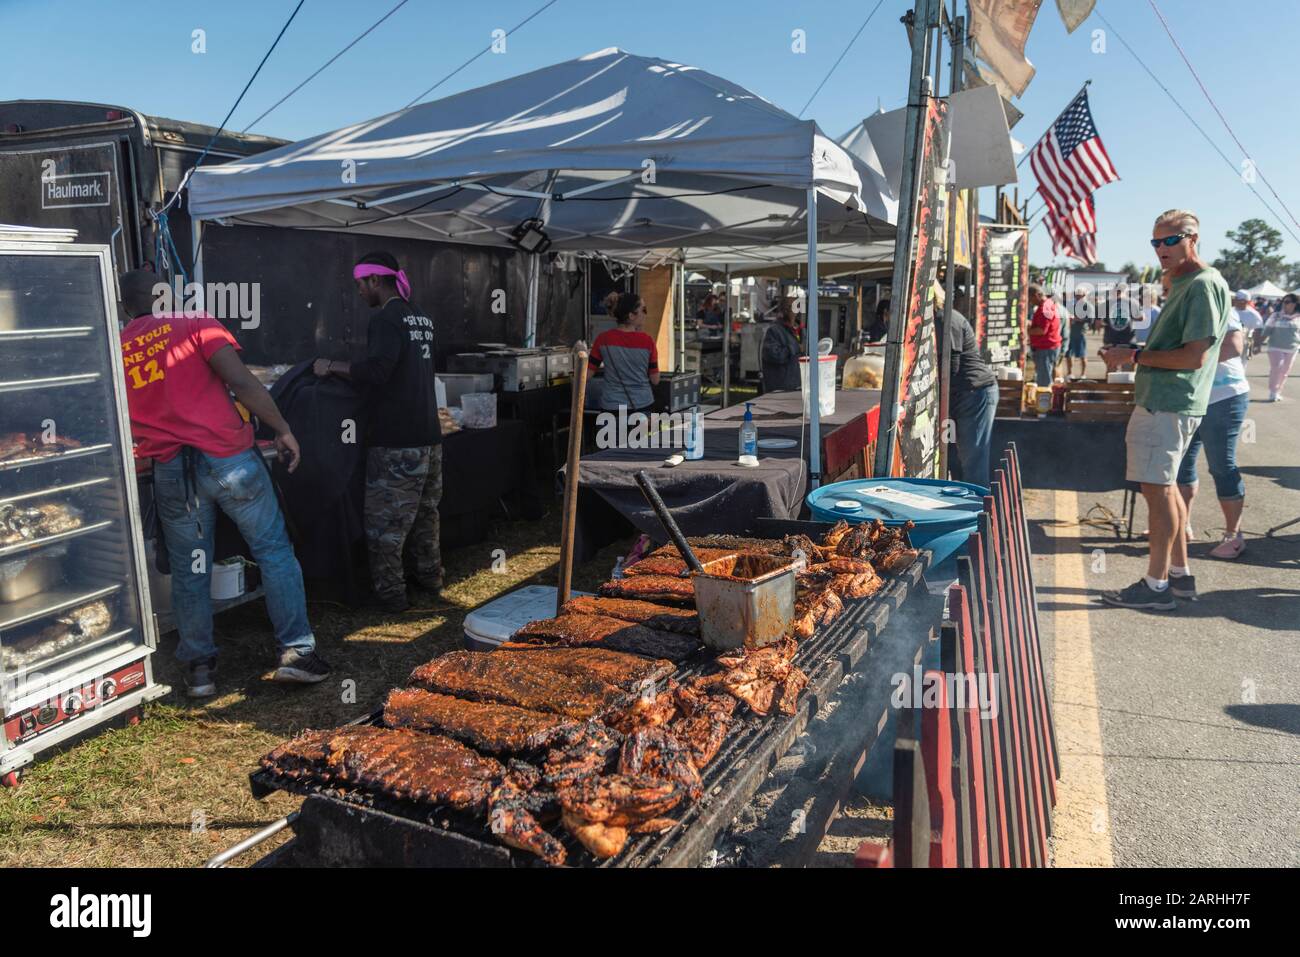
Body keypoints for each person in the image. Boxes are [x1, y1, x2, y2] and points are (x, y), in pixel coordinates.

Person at [116, 270, 330, 697]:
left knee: (191, 568)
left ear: (124, 306)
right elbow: (242, 382)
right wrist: (282, 428)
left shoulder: (117, 345)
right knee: (272, 550)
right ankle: (296, 653)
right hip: (228, 459)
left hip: (171, 469)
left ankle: (199, 670)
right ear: (169, 295)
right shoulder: (196, 323)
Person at [1099, 209, 1229, 610]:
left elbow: (1193, 357)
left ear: (1193, 238)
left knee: (1157, 494)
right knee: (1166, 489)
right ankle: (1178, 575)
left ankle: (1155, 587)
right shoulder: (1189, 283)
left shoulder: (1203, 284)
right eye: (1155, 242)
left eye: (1170, 240)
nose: (1161, 249)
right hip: (1167, 403)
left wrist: (1133, 355)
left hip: (1168, 404)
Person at [313, 252, 442, 613]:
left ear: (374, 281)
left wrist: (332, 367)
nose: (357, 292)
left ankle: (391, 595)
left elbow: (378, 371)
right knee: (426, 514)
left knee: (386, 524)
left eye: (359, 284)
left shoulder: (386, 318)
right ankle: (430, 576)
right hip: (430, 437)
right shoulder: (422, 317)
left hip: (397, 440)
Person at [1175, 304, 1250, 560]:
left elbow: (1233, 346)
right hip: (1190, 397)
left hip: (1224, 396)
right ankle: (1181, 524)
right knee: (1181, 463)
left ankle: (1234, 535)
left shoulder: (1218, 307)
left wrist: (1185, 359)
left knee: (1221, 464)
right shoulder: (1180, 306)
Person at [936, 283, 998, 487]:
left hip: (974, 392)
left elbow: (950, 367)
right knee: (956, 459)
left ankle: (979, 513)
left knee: (973, 461)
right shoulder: (939, 318)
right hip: (961, 393)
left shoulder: (947, 318)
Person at [588, 292, 660, 413]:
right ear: (631, 316)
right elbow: (655, 380)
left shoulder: (603, 339)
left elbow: (587, 375)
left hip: (612, 406)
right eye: (644, 310)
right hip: (642, 404)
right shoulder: (647, 341)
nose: (645, 314)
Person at [1261, 293, 1300, 401]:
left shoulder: (1298, 317)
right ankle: (1272, 392)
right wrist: (1258, 344)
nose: (1284, 304)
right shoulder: (1276, 315)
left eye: (1287, 302)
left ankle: (1278, 391)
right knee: (1277, 368)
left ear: (1294, 304)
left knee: (1285, 371)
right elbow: (1267, 330)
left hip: (1292, 348)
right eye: (1283, 301)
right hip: (1275, 346)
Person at [761, 297, 803, 393]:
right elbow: (774, 355)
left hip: (797, 385)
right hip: (780, 387)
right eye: (787, 307)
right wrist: (795, 348)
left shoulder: (801, 330)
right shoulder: (774, 331)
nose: (789, 310)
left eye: (793, 307)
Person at [1027, 285, 1062, 387]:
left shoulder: (1044, 308)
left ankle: (1045, 402)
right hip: (1049, 346)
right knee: (1046, 376)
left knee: (1044, 381)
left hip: (1046, 347)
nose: (1030, 302)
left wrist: (1026, 331)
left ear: (1037, 295)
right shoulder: (1048, 304)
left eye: (1030, 298)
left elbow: (1041, 330)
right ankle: (1047, 399)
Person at [1065, 288, 1092, 379]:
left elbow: (1090, 320)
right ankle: (1070, 373)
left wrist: (1077, 319)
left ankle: (1083, 375)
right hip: (1071, 332)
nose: (1077, 296)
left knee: (1082, 354)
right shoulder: (1073, 305)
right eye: (1076, 295)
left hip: (1081, 332)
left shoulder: (1087, 305)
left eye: (1079, 295)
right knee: (1069, 354)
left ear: (1084, 295)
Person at [1231, 289, 1262, 360]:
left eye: (1238, 299)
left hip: (1247, 344)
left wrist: (1257, 345)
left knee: (1242, 365)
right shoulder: (1230, 311)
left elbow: (1258, 330)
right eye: (1236, 298)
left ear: (1246, 301)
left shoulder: (1253, 314)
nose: (1235, 301)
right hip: (1231, 343)